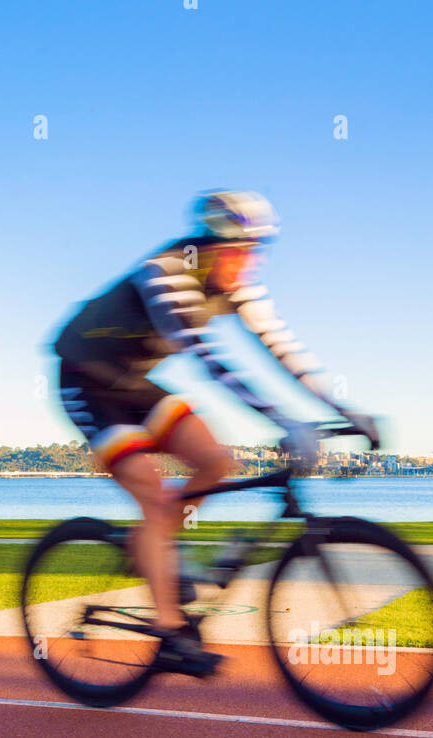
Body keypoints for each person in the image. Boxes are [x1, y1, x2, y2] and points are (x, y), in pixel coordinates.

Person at [52, 190, 379, 677]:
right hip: (85, 379)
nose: (249, 264)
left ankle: (161, 548)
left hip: (134, 383)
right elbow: (211, 363)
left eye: (257, 253)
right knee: (154, 494)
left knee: (216, 461)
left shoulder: (238, 285)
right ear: (213, 246)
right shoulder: (164, 274)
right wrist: (286, 421)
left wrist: (345, 409)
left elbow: (283, 348)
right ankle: (171, 634)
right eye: (242, 252)